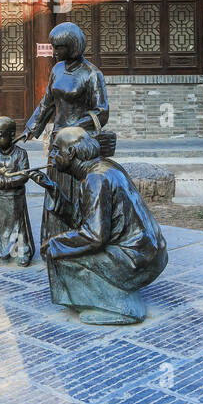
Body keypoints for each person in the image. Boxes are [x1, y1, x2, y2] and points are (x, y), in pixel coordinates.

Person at [23, 126, 168, 325]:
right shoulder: (105, 166)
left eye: (56, 150)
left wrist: (55, 243)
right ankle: (112, 297)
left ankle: (122, 309)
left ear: (71, 153)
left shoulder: (95, 178)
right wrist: (53, 189)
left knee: (59, 253)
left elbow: (94, 236)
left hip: (136, 258)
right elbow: (86, 220)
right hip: (150, 252)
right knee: (62, 245)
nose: (52, 155)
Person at [18, 21, 108, 255]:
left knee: (76, 191)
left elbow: (102, 112)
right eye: (53, 47)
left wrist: (74, 129)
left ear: (73, 46)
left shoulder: (92, 74)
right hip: (58, 142)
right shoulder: (57, 69)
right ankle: (52, 241)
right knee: (54, 187)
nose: (55, 52)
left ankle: (78, 244)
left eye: (59, 48)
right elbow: (47, 102)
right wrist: (31, 127)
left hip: (78, 145)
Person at [0, 116, 35, 266]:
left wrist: (5, 182)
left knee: (19, 226)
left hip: (15, 198)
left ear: (11, 135)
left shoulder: (20, 154)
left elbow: (24, 175)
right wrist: (3, 182)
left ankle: (22, 252)